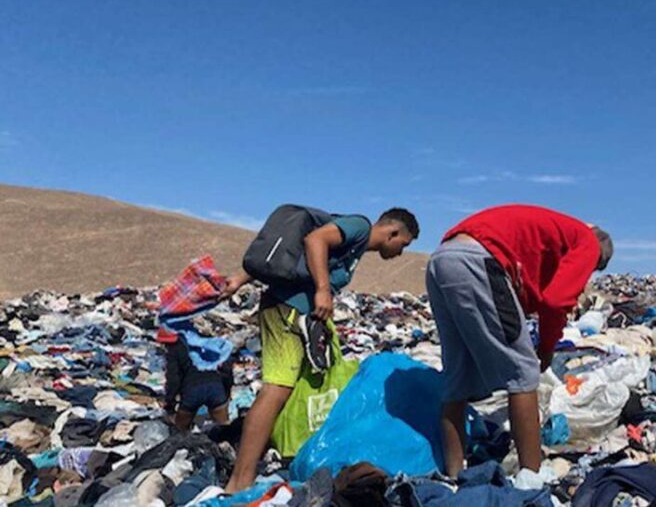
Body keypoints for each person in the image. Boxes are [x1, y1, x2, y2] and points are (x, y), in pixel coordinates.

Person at [220, 207, 419, 493]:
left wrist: (239, 280)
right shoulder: (359, 227)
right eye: (404, 244)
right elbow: (315, 240)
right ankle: (240, 481)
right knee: (276, 389)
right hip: (287, 311)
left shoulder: (355, 245)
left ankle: (261, 463)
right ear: (393, 232)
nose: (401, 252)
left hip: (288, 309)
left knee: (286, 389)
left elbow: (289, 260)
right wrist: (323, 290)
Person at [426, 204, 613, 478]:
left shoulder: (559, 229)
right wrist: (547, 347)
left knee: (459, 376)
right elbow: (555, 300)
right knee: (524, 372)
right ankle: (531, 477)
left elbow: (531, 289)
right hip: (478, 260)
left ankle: (452, 476)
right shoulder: (588, 243)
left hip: (441, 259)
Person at [158, 327, 233, 432]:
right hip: (215, 384)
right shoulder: (206, 340)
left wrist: (170, 401)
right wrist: (227, 391)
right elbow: (226, 367)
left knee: (181, 429)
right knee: (224, 427)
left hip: (192, 388)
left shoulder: (174, 349)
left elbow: (173, 378)